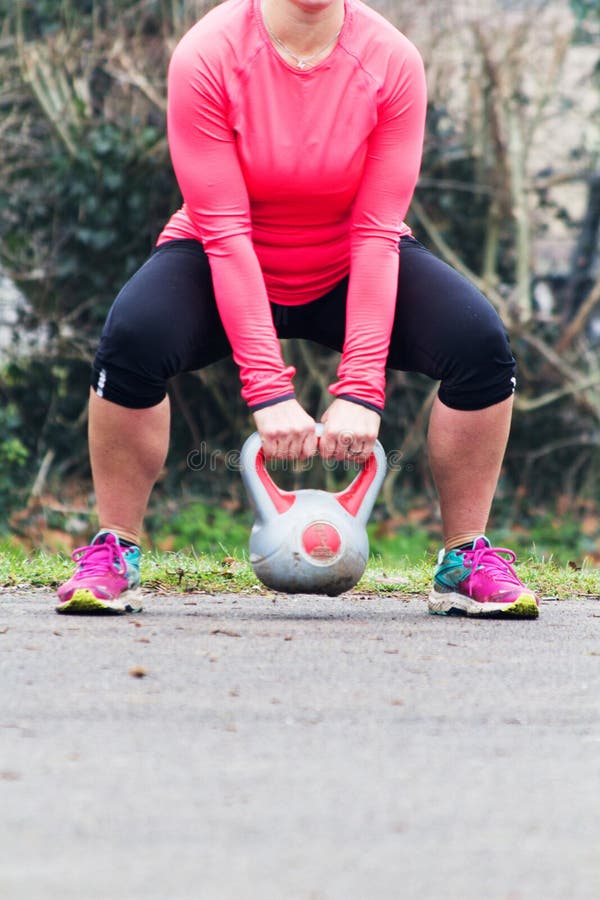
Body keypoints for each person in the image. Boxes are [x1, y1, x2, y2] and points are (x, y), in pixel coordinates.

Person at [55, 0, 538, 619]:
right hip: (218, 250)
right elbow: (225, 232)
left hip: (351, 258)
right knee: (133, 336)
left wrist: (362, 390)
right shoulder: (208, 54)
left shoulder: (392, 61)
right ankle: (115, 549)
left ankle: (465, 557)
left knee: (479, 343)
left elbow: (375, 230)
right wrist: (268, 393)